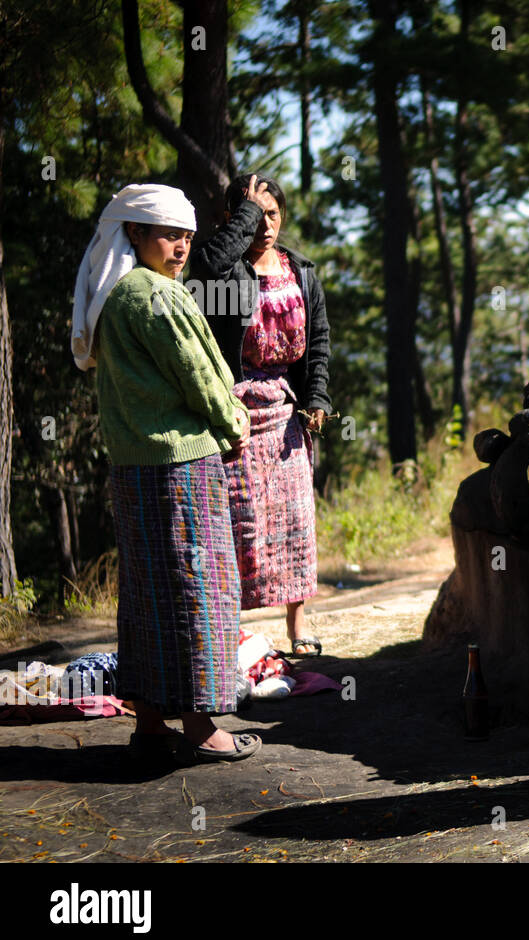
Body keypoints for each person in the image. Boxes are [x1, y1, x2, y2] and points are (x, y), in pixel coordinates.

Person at [72, 183, 261, 764]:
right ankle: (201, 726)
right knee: (196, 591)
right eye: (168, 235)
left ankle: (150, 722)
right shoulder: (154, 295)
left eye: (186, 236)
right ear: (135, 234)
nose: (180, 247)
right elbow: (199, 376)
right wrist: (234, 423)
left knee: (149, 594)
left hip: (134, 468)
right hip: (181, 467)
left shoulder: (113, 297)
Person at [190, 173, 332, 656]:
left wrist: (316, 399)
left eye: (273, 214)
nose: (266, 225)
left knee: (295, 521)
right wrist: (244, 217)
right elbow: (203, 269)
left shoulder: (301, 271)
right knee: (239, 523)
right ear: (234, 219)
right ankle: (229, 632)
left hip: (286, 413)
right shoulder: (227, 275)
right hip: (235, 413)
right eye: (255, 214)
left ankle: (297, 624)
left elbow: (317, 345)